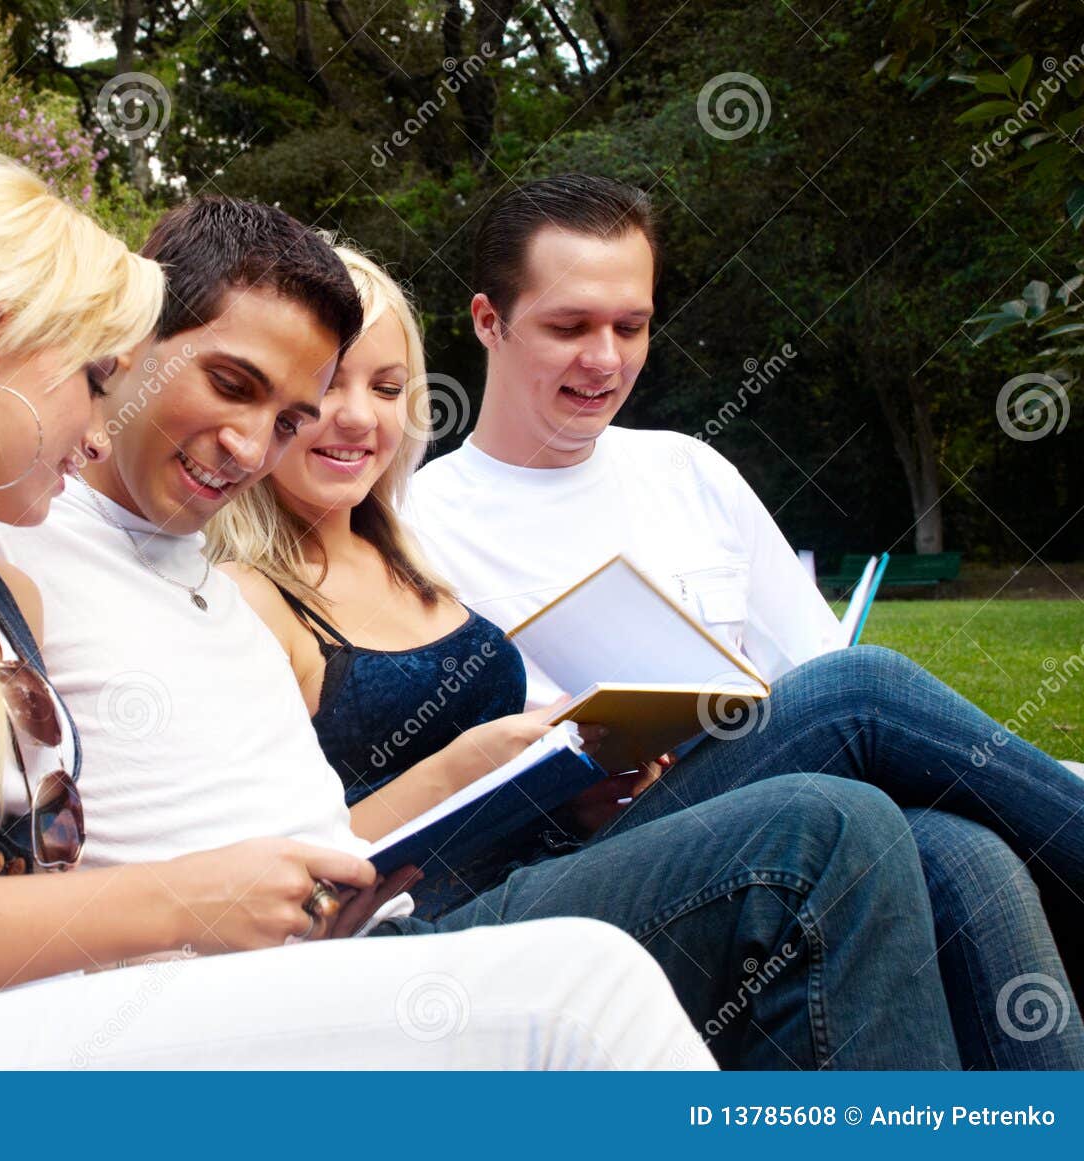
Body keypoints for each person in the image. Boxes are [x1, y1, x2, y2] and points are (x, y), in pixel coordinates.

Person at [0, 190, 963, 1069]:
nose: (92, 418)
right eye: (91, 373)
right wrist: (188, 908)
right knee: (607, 966)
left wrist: (451, 783)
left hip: (8, 1017)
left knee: (799, 886)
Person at [395, 177, 1084, 1066]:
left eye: (631, 326)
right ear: (489, 321)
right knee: (862, 690)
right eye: (570, 326)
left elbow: (810, 673)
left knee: (956, 844)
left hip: (758, 791)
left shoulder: (689, 471)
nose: (605, 357)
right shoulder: (416, 520)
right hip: (582, 859)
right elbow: (425, 788)